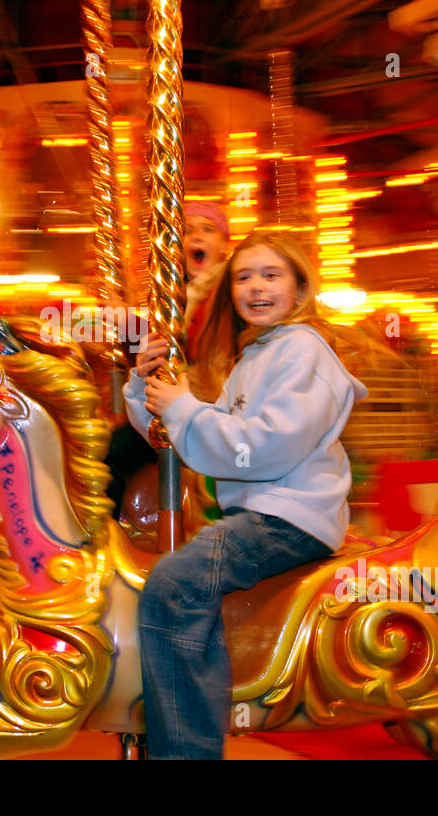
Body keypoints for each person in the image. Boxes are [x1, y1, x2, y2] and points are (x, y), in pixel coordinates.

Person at [123, 229, 368, 759]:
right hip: (261, 511)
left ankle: (186, 751)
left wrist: (184, 407)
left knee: (175, 582)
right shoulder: (254, 356)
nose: (257, 287)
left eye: (272, 275)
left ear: (301, 288)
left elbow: (267, 447)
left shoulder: (302, 349)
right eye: (244, 277)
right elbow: (184, 440)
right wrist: (148, 393)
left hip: (289, 515)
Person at [103, 200, 230, 518]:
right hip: (173, 405)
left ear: (224, 246)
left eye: (208, 229)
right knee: (107, 452)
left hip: (216, 405)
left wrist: (130, 325)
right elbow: (158, 347)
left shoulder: (227, 291)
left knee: (116, 450)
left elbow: (190, 339)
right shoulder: (170, 296)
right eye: (187, 232)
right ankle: (107, 530)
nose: (197, 237)